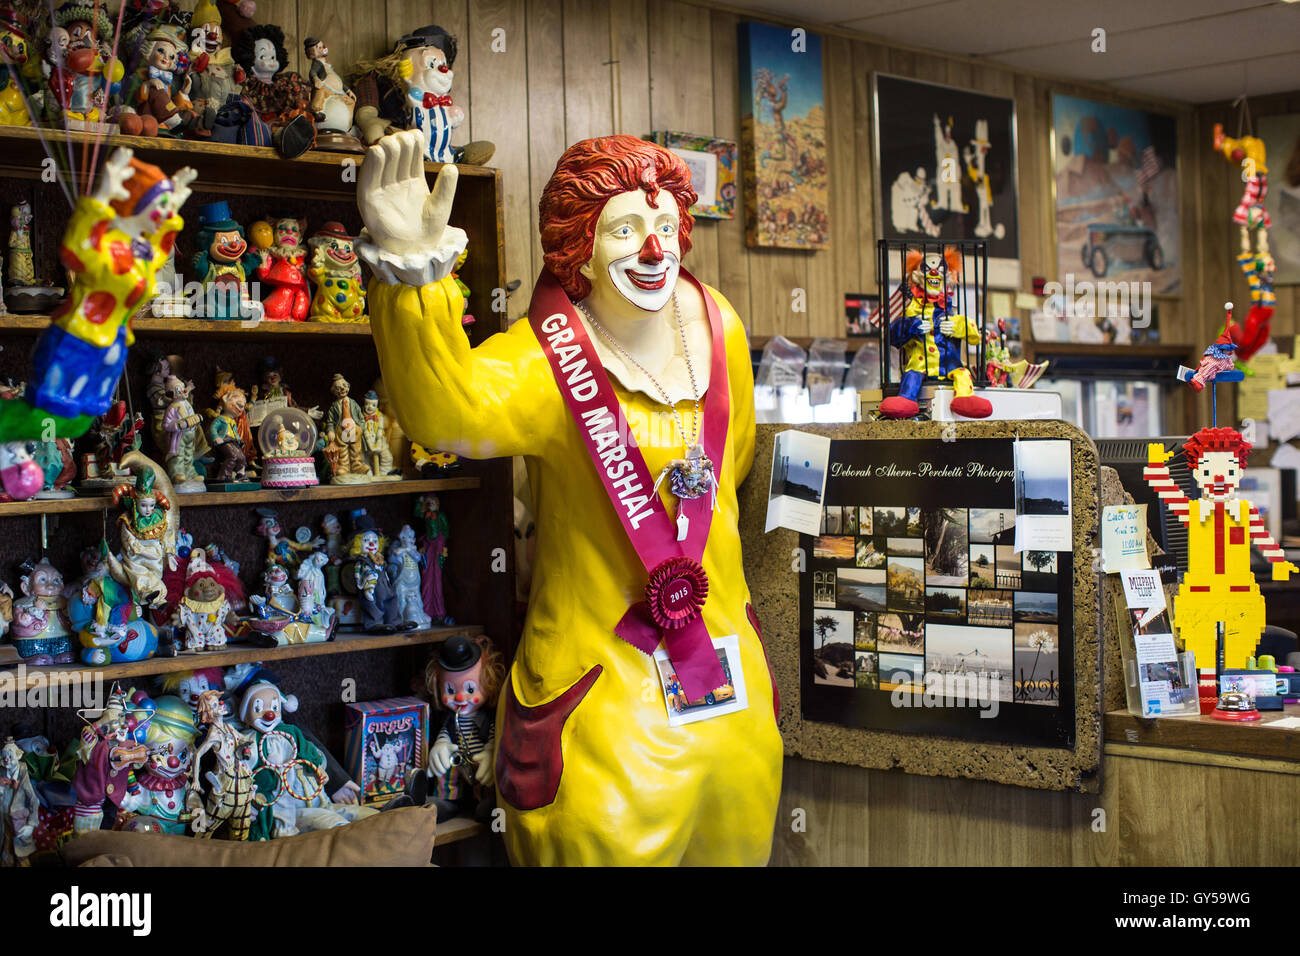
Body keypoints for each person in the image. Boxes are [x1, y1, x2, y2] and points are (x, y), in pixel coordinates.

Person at [357, 130, 781, 865]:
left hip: (730, 700)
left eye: (661, 226)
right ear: (576, 247)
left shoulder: (721, 330)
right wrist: (413, 275)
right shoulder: (543, 357)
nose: (652, 250)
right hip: (601, 711)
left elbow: (732, 460)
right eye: (624, 229)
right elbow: (443, 410)